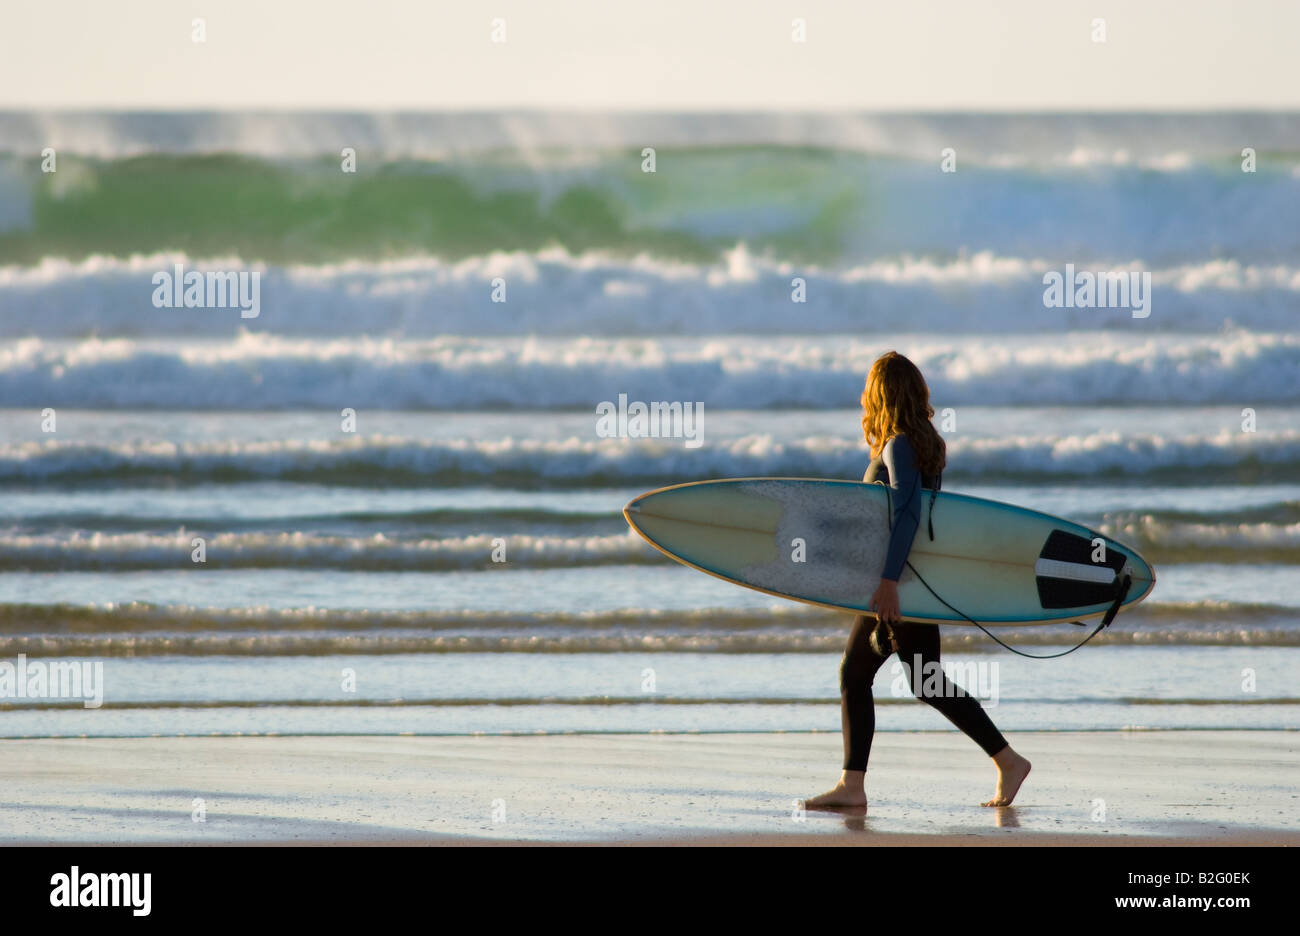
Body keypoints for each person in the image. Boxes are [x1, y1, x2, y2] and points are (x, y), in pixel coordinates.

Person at [804, 351, 1031, 809]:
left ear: (880, 393)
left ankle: (853, 785)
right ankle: (1007, 759)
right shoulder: (926, 445)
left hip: (899, 581)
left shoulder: (898, 445)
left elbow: (906, 514)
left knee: (857, 674)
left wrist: (888, 581)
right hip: (915, 578)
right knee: (926, 681)